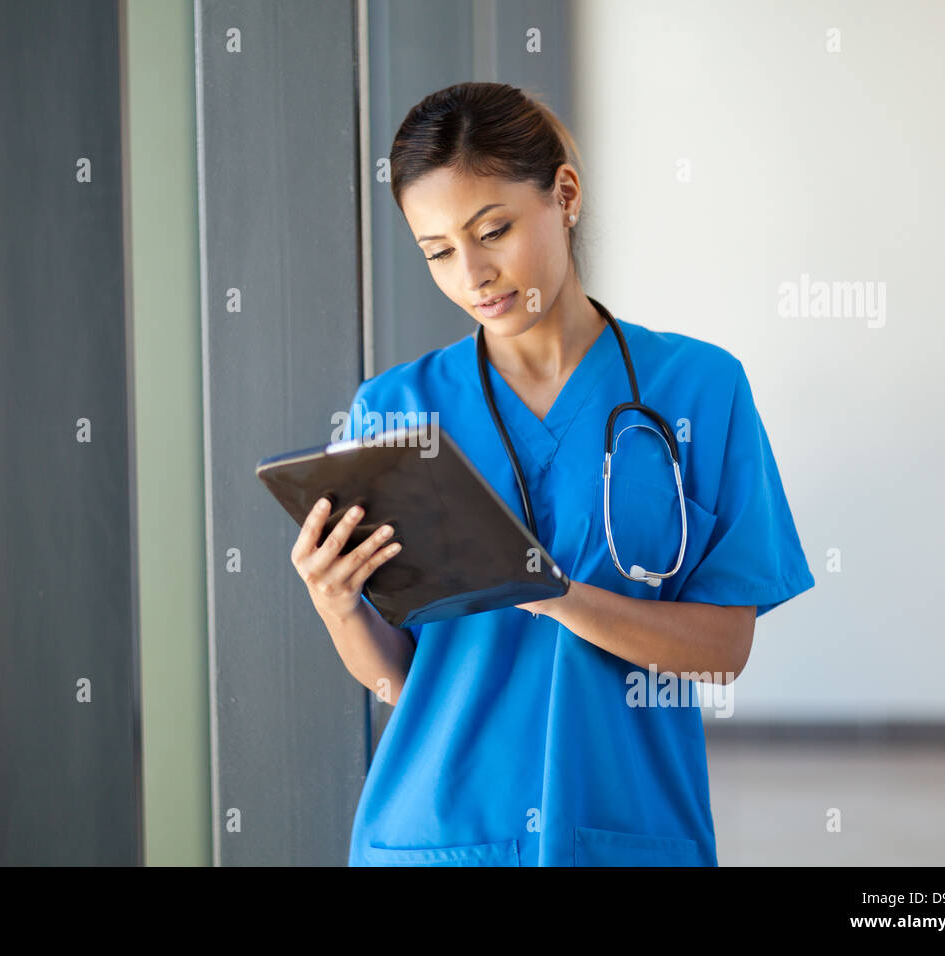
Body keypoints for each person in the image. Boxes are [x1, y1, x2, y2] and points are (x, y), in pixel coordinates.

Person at [288, 82, 815, 866]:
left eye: (492, 230)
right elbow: (402, 678)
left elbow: (722, 649)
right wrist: (337, 608)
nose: (473, 274)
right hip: (438, 837)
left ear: (563, 195)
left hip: (626, 831)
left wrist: (556, 594)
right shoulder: (396, 411)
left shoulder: (699, 388)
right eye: (437, 251)